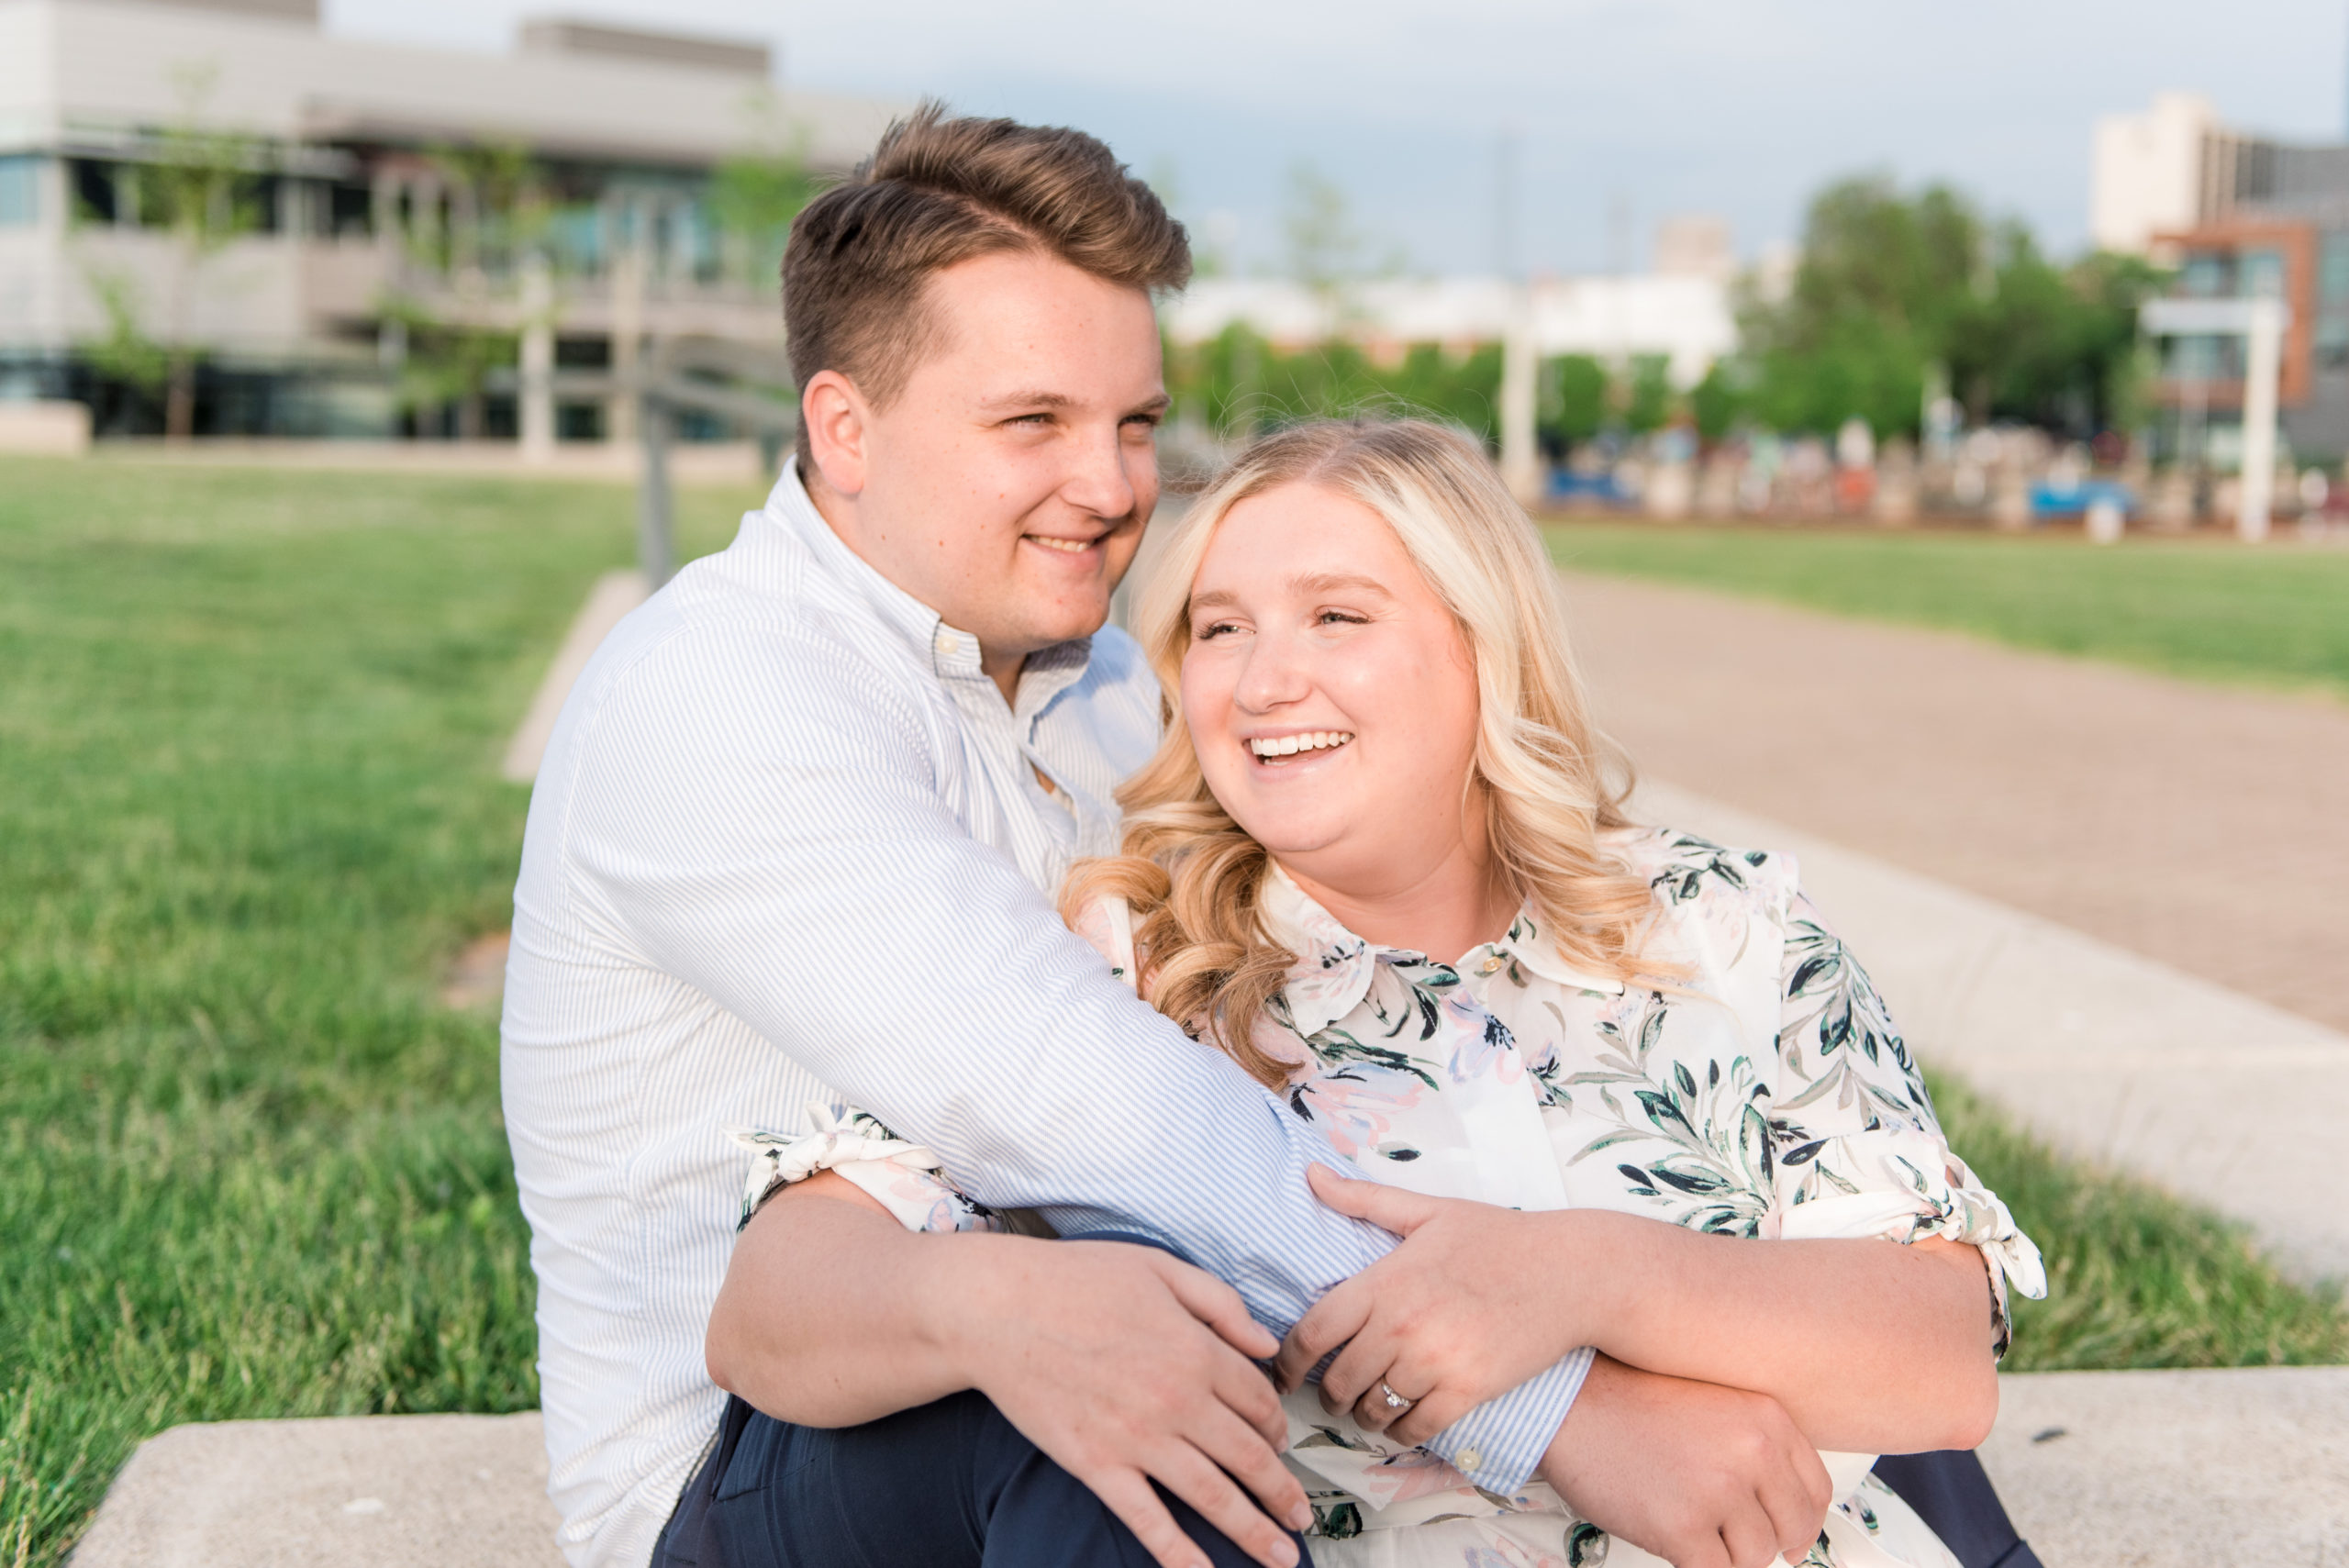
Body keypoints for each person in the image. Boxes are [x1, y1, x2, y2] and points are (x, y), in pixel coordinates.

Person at [503, 110, 1614, 1568]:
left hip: (1107, 1289)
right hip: (757, 1446)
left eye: (1136, 424)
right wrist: (1561, 1398)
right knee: (1128, 1406)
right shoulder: (720, 695)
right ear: (844, 429)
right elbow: (1079, 1102)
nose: (1110, 487)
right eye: (1034, 423)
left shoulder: (1105, 684)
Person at [709, 418, 2048, 1568]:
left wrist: (1579, 1276)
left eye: (1338, 616)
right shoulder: (1117, 957)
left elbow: (1941, 1358)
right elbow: (775, 1307)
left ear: (1484, 647)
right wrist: (1009, 1311)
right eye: (1220, 628)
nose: (1263, 678)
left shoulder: (1717, 923)